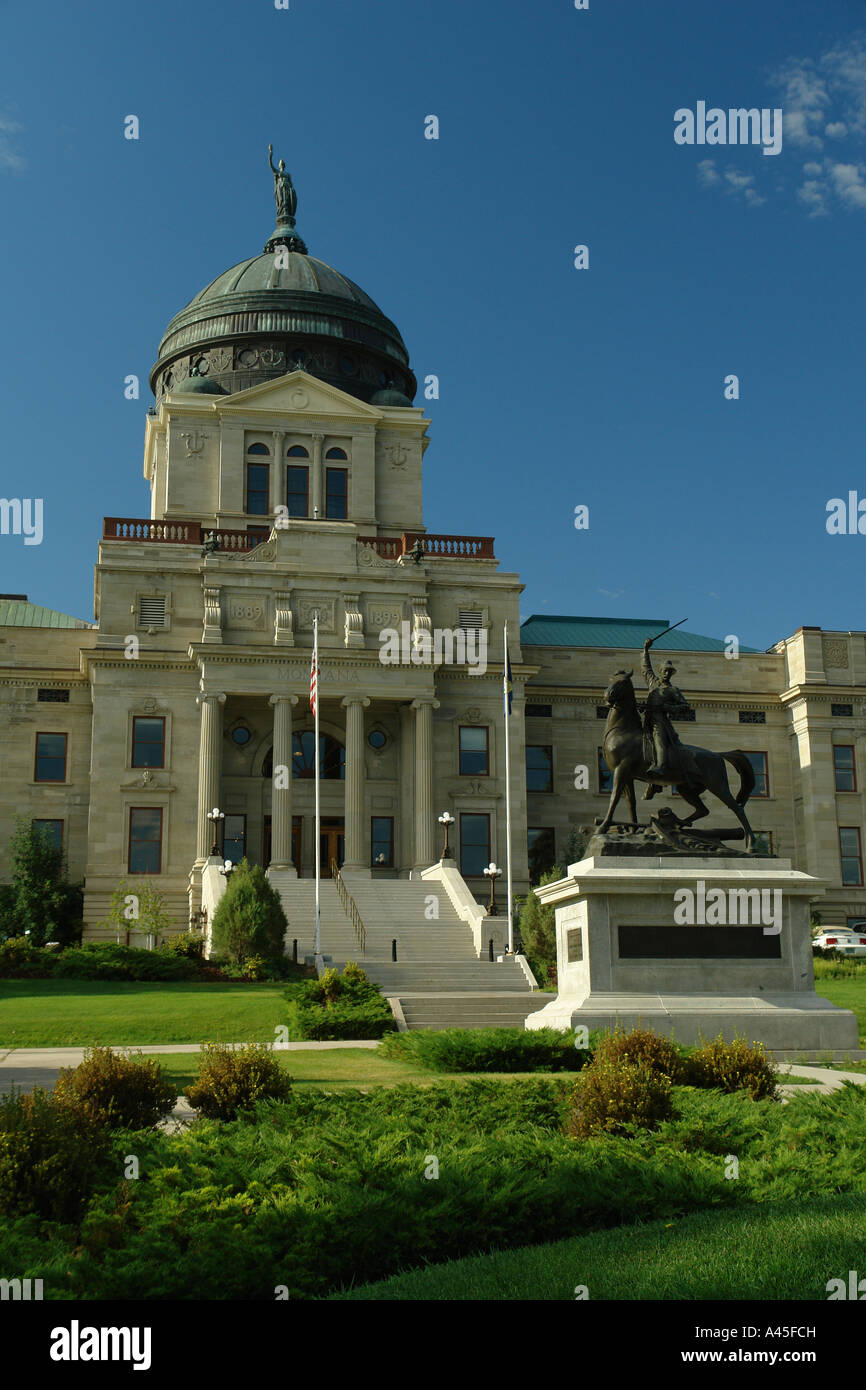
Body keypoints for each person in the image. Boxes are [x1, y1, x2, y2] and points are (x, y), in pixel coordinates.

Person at [641, 638, 697, 787]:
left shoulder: (673, 691)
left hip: (660, 721)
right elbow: (646, 668)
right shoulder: (653, 683)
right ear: (660, 672)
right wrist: (645, 650)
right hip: (646, 719)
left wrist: (667, 707)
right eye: (664, 670)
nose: (666, 673)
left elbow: (685, 707)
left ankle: (660, 767)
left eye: (669, 671)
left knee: (658, 739)